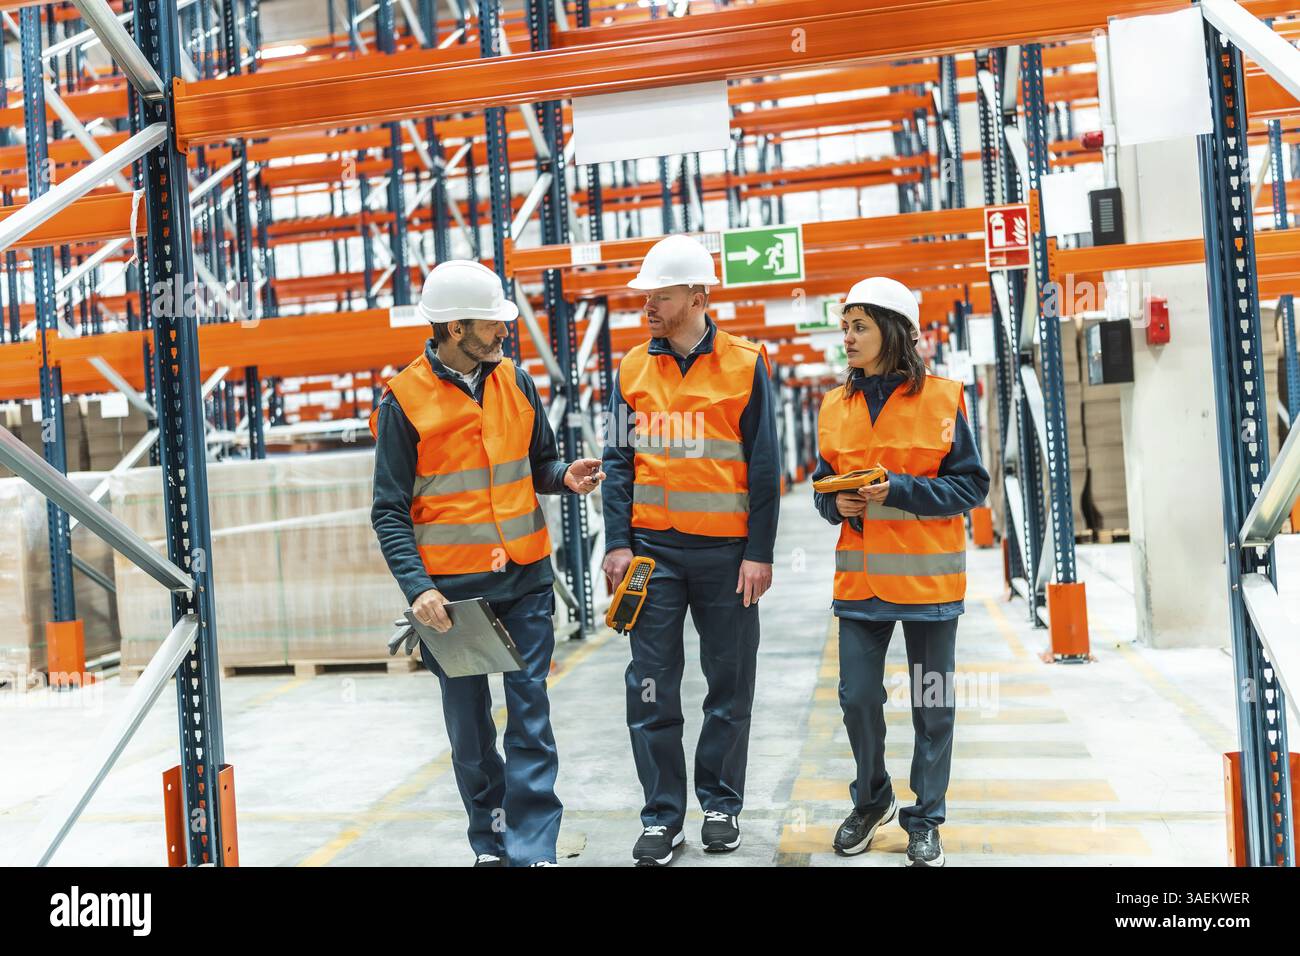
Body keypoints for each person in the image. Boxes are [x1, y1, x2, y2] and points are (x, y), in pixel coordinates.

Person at [370, 259, 604, 867]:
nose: (505, 331)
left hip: (526, 580)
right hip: (452, 600)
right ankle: (491, 843)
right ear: (452, 328)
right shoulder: (404, 402)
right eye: (491, 323)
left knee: (530, 717)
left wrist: (565, 477)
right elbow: (389, 511)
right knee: (470, 733)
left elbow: (539, 465)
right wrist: (417, 588)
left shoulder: (517, 383)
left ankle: (533, 848)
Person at [601, 234, 781, 866]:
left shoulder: (746, 362)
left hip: (728, 558)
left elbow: (764, 467)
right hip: (653, 556)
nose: (650, 303)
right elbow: (619, 462)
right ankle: (661, 816)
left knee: (728, 686)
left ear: (699, 297)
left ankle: (722, 804)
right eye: (648, 294)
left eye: (663, 294)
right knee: (650, 685)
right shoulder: (630, 368)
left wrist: (760, 552)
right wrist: (616, 543)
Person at [811, 276, 989, 868]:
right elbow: (821, 487)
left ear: (892, 332)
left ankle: (926, 817)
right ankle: (872, 799)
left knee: (931, 705)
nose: (848, 339)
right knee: (858, 697)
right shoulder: (835, 406)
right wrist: (838, 504)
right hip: (859, 584)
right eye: (845, 328)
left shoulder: (942, 398)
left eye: (859, 327)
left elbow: (971, 485)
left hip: (929, 583)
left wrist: (901, 490)